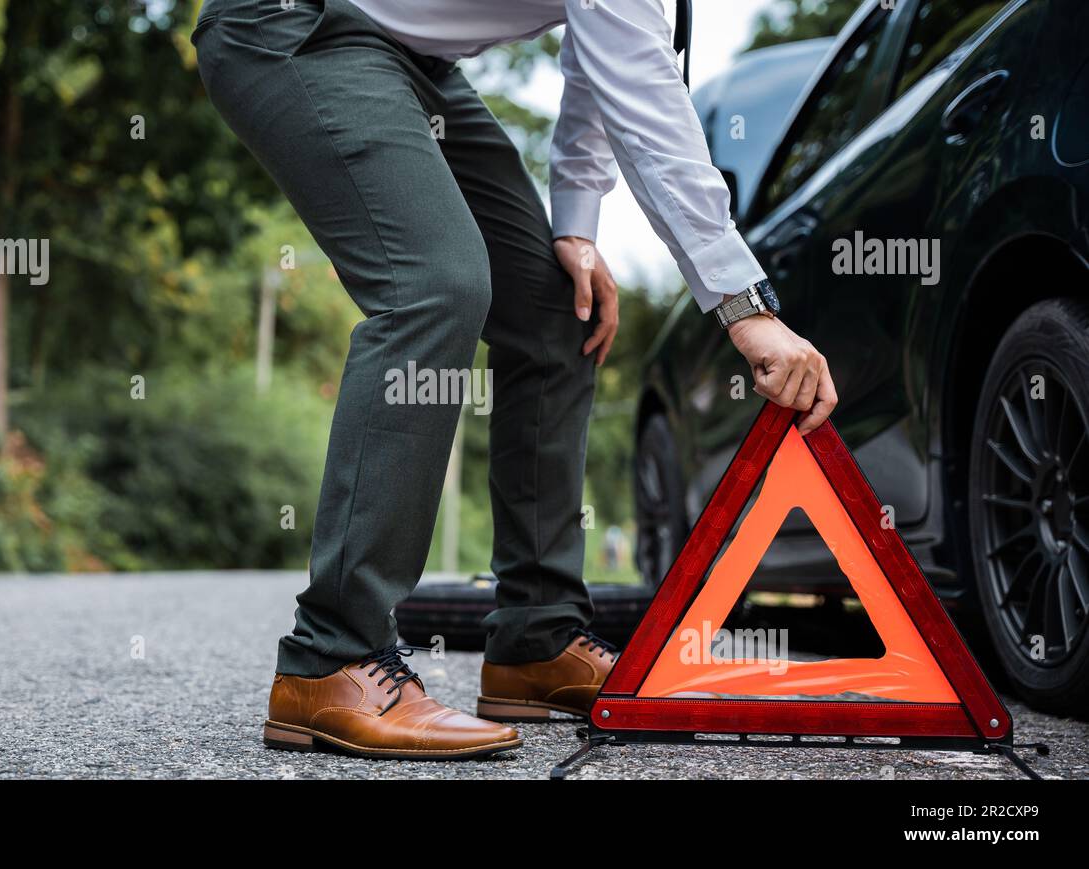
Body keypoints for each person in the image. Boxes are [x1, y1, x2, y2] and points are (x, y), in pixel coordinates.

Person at [192, 0, 838, 760]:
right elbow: (642, 94)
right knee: (434, 284)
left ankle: (536, 639)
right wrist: (744, 305)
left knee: (557, 309)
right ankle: (333, 656)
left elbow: (601, 60)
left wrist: (576, 229)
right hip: (298, 26)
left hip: (415, 63)